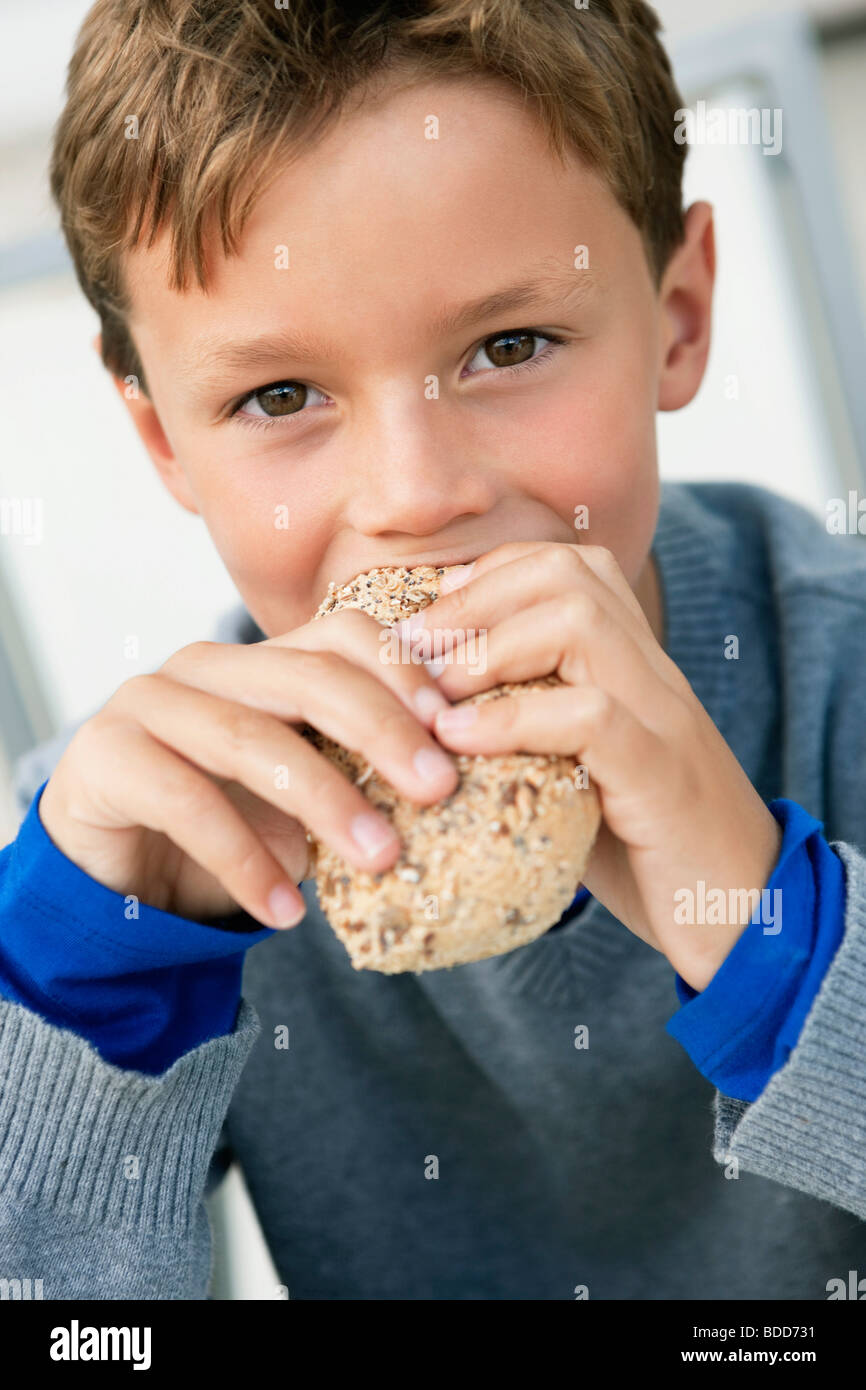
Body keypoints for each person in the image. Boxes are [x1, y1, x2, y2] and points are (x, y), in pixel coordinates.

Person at [1, 0, 864, 1300]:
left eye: (507, 347)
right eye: (279, 397)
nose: (413, 494)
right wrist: (77, 994)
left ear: (678, 316)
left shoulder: (840, 678)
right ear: (166, 442)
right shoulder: (133, 850)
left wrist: (774, 933)